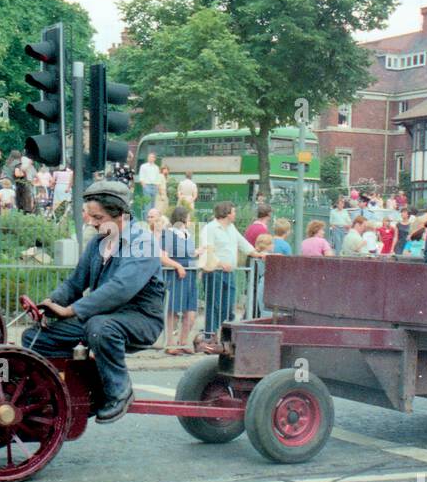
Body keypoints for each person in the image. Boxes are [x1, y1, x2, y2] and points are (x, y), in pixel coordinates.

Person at [22, 180, 164, 423]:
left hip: (141, 319)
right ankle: (57, 391)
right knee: (35, 337)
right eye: (90, 216)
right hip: (99, 317)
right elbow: (75, 283)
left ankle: (120, 391)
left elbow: (120, 289)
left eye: (97, 217)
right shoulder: (98, 243)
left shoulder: (144, 244)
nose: (91, 222)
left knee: (98, 328)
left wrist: (70, 310)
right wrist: (51, 303)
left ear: (120, 214)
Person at [197, 200, 263, 352]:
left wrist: (256, 254)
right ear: (226, 213)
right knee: (213, 304)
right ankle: (209, 336)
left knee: (228, 305)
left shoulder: (231, 228)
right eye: (233, 212)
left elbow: (243, 244)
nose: (235, 214)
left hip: (229, 272)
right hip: (215, 271)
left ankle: (215, 332)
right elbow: (208, 249)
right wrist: (220, 263)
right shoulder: (210, 229)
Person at [162, 206, 199, 355]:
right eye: (189, 217)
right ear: (182, 218)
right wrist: (177, 266)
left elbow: (189, 254)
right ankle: (170, 343)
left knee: (190, 312)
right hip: (175, 275)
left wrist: (198, 252)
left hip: (190, 275)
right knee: (173, 310)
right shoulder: (168, 235)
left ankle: (183, 341)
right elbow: (163, 256)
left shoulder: (187, 234)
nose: (190, 220)